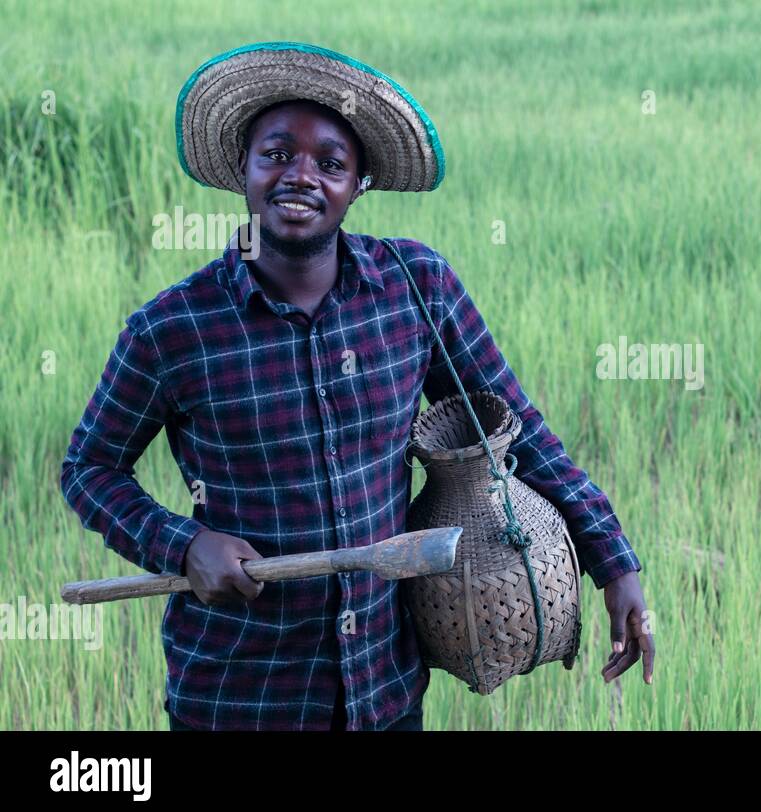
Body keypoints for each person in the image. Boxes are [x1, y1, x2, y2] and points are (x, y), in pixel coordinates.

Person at [60, 42, 653, 731]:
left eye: (331, 163)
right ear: (243, 169)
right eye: (277, 154)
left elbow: (515, 429)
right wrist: (184, 544)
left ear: (360, 182)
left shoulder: (416, 288)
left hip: (385, 689)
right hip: (239, 696)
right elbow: (89, 467)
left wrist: (613, 561)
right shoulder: (174, 328)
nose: (302, 176)